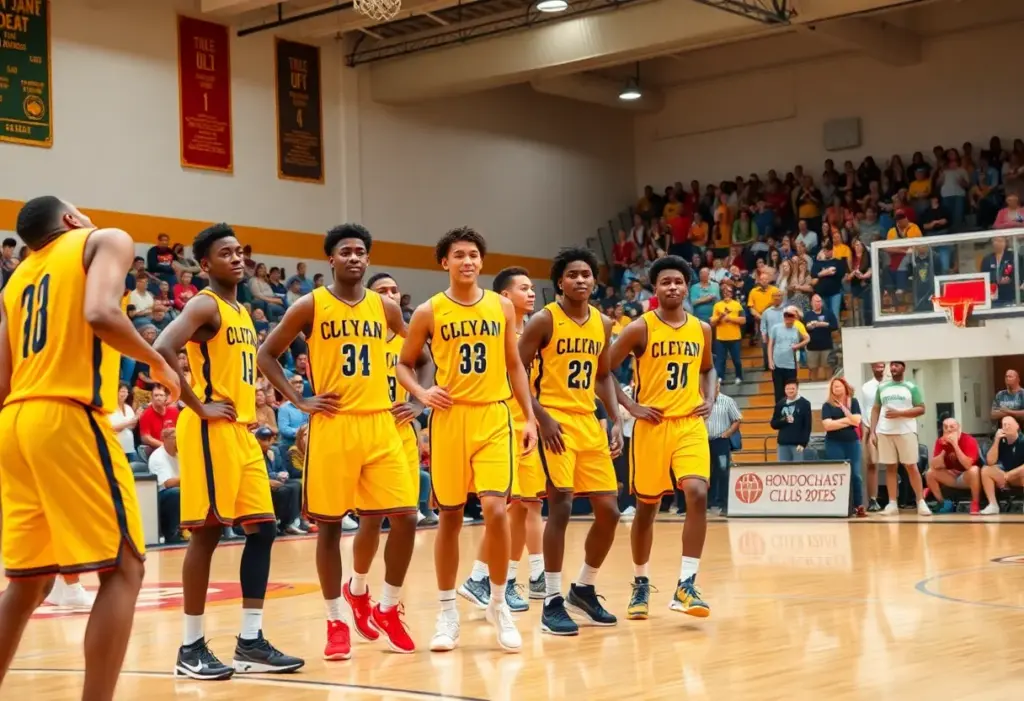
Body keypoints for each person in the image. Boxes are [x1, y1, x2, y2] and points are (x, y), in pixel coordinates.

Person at [0, 196, 180, 701]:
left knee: (27, 584)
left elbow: (3, 378)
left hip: (15, 422)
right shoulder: (104, 239)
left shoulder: (15, 281)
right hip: (69, 413)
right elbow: (101, 312)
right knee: (124, 568)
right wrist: (160, 365)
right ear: (71, 220)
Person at [257, 224, 419, 658]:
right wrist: (297, 398)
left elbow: (419, 355)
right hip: (334, 425)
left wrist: (419, 401)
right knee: (328, 529)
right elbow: (266, 354)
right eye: (345, 251)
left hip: (381, 426)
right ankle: (335, 620)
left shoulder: (385, 307)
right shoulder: (310, 304)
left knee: (405, 518)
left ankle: (386, 606)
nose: (354, 257)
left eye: (361, 251)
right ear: (331, 259)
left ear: (367, 259)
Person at [154, 223, 303, 680]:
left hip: (240, 431)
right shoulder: (205, 304)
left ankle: (250, 642)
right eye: (225, 253)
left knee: (263, 531)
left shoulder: (242, 310)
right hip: (208, 428)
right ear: (204, 264)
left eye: (240, 252)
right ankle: (190, 646)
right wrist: (197, 403)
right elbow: (161, 348)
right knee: (208, 533)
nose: (237, 258)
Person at [396, 227, 537, 653]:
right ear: (445, 263)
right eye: (459, 255)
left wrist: (528, 417)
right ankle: (445, 613)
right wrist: (421, 393)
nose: (468, 261)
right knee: (451, 519)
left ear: (481, 261)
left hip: (495, 417)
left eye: (474, 255)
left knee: (497, 511)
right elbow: (404, 365)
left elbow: (515, 366)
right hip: (450, 418)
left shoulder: (501, 307)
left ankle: (498, 603)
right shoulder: (428, 311)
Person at [516, 248, 622, 636]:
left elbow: (604, 374)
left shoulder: (603, 323)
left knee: (609, 510)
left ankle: (584, 587)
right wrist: (540, 417)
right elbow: (517, 371)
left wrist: (614, 417)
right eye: (573, 275)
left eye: (587, 274)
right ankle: (552, 601)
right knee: (559, 503)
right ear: (559, 282)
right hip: (554, 421)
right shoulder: (544, 320)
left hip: (588, 422)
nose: (581, 280)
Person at [608, 255, 715, 621]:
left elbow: (708, 367)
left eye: (678, 282)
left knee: (697, 493)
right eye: (666, 282)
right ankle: (640, 582)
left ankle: (686, 584)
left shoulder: (701, 328)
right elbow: (602, 370)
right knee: (647, 508)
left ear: (688, 287)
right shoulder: (640, 328)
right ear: (656, 288)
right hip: (652, 426)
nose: (673, 287)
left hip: (689, 424)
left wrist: (711, 397)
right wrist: (631, 406)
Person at [459, 267, 547, 612]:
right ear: (505, 297)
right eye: (523, 288)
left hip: (526, 424)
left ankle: (516, 575)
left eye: (533, 287)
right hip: (501, 423)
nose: (532, 293)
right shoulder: (496, 329)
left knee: (529, 504)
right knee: (508, 506)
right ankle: (485, 577)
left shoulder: (534, 331)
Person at [368, 271, 436, 528]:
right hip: (366, 424)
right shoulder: (359, 330)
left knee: (405, 514)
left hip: (398, 425)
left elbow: (427, 362)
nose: (390, 295)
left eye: (393, 290)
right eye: (382, 291)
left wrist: (418, 402)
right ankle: (359, 570)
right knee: (370, 518)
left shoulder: (406, 335)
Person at [870, 361, 930, 516]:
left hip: (906, 431)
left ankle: (920, 502)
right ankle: (892, 503)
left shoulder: (911, 387)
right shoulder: (882, 387)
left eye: (897, 365)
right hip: (884, 431)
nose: (893, 367)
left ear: (904, 368)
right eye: (892, 365)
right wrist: (872, 431)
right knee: (890, 467)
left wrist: (900, 414)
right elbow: (876, 409)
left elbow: (921, 408)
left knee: (911, 466)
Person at [821, 378, 865, 516]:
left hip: (852, 443)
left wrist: (839, 422)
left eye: (839, 386)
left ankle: (858, 505)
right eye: (834, 387)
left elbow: (857, 421)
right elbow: (827, 425)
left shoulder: (853, 402)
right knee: (839, 475)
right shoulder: (827, 405)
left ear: (845, 387)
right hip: (834, 443)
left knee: (856, 475)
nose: (837, 389)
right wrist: (848, 421)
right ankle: (842, 505)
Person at [926, 417, 980, 514]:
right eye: (945, 427)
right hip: (951, 476)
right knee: (930, 473)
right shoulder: (940, 442)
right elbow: (935, 465)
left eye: (952, 427)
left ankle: (975, 503)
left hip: (966, 476)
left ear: (959, 428)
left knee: (974, 470)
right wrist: (944, 448)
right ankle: (943, 503)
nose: (948, 429)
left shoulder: (969, 440)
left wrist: (955, 445)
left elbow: (968, 465)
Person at [980, 416, 1024, 515]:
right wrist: (996, 440)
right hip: (1005, 477)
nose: (1007, 427)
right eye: (1004, 425)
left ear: (1017, 426)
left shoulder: (1022, 440)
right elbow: (990, 462)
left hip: (1019, 477)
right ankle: (993, 505)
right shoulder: (1000, 441)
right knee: (986, 470)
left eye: (1009, 424)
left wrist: (1010, 474)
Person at [861, 362, 886, 512]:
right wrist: (868, 429)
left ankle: (893, 501)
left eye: (882, 365)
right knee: (872, 464)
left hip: (890, 429)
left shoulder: (892, 385)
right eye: (876, 365)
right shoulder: (866, 387)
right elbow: (866, 409)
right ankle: (873, 500)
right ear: (871, 367)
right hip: (871, 428)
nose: (879, 367)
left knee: (892, 465)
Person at [771, 379, 812, 462]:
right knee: (783, 470)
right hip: (782, 444)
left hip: (798, 445)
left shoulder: (805, 404)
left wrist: (803, 443)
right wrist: (784, 420)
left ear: (797, 389)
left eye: (792, 388)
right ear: (784, 389)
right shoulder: (780, 404)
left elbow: (807, 426)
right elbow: (773, 424)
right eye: (787, 389)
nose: (790, 391)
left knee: (797, 471)